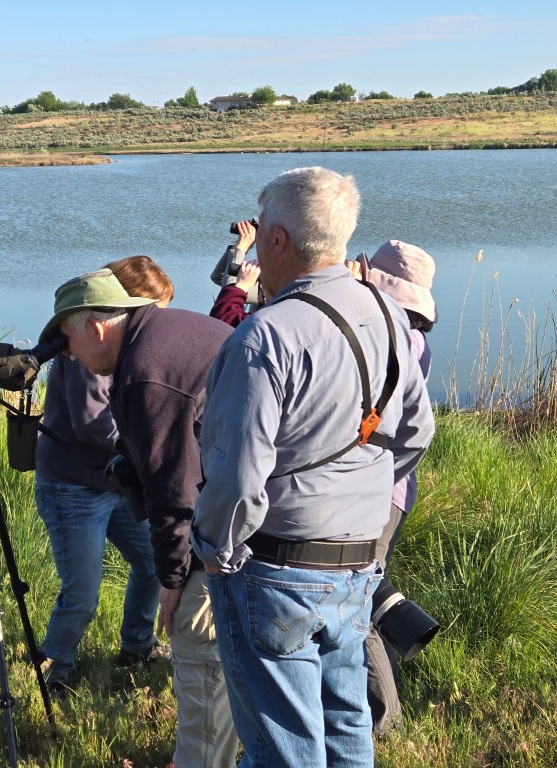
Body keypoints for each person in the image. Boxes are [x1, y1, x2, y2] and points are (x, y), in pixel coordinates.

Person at [191, 166, 436, 768]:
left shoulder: (263, 336)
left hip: (274, 569)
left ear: (276, 241)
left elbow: (236, 476)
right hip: (357, 563)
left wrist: (213, 552)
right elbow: (415, 435)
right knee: (346, 726)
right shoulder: (389, 317)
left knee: (284, 750)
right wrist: (358, 496)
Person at [40, 268, 239, 768]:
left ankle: (201, 750)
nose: (66, 354)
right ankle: (55, 668)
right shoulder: (165, 336)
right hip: (82, 486)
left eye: (67, 340)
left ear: (97, 327)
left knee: (196, 640)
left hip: (237, 510)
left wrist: (176, 577)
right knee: (83, 589)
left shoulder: (146, 368)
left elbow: (173, 487)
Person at [34, 255, 173, 696]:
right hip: (72, 487)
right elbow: (92, 423)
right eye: (153, 311)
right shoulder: (86, 351)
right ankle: (54, 672)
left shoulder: (129, 348)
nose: (157, 325)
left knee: (153, 563)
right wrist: (151, 437)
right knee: (82, 593)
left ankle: (137, 645)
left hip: (116, 482)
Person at [360, 240, 438, 735]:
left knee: (359, 597)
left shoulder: (389, 340)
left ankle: (382, 719)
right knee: (368, 586)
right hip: (395, 488)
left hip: (374, 491)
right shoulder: (414, 339)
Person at [210, 219, 263, 327]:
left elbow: (225, 316)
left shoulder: (278, 284)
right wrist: (240, 247)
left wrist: (240, 250)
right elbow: (219, 277)